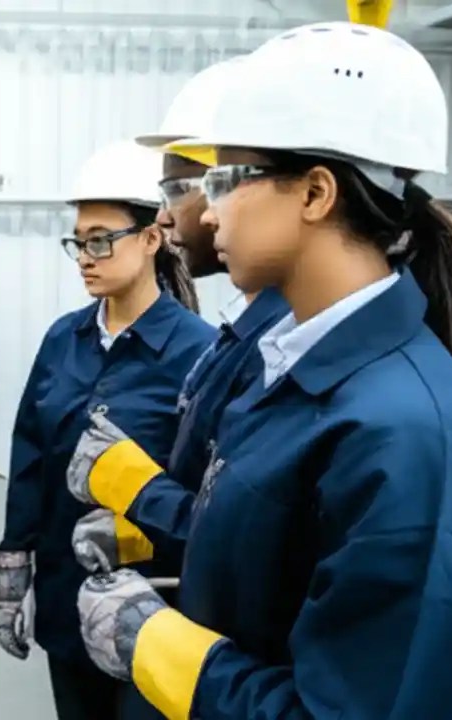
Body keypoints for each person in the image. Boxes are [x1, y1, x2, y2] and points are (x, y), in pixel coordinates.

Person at [70, 22, 452, 720]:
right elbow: (273, 558)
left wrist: (165, 651)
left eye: (226, 181)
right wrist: (154, 552)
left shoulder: (415, 444)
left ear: (315, 194)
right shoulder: (289, 375)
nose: (207, 212)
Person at [0, 140, 215, 720]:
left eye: (100, 240)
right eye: (78, 241)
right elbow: (30, 456)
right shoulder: (62, 339)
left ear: (151, 238)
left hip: (155, 609)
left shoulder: (200, 353)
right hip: (66, 596)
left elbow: (206, 495)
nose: (85, 257)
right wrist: (14, 568)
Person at [68, 57, 291, 581]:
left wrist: (139, 491)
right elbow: (219, 504)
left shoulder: (281, 352)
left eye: (179, 190)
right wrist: (148, 537)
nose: (167, 215)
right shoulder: (245, 336)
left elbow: (264, 546)